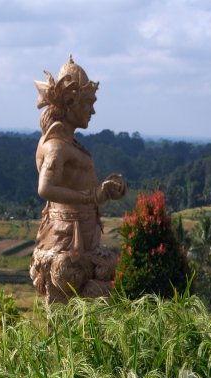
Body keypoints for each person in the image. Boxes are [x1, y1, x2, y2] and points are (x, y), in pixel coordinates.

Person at [29, 57, 127, 304]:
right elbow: (46, 187)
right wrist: (91, 197)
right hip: (66, 241)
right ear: (71, 103)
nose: (92, 111)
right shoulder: (56, 146)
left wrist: (104, 191)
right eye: (87, 104)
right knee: (69, 305)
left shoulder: (68, 143)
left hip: (80, 236)